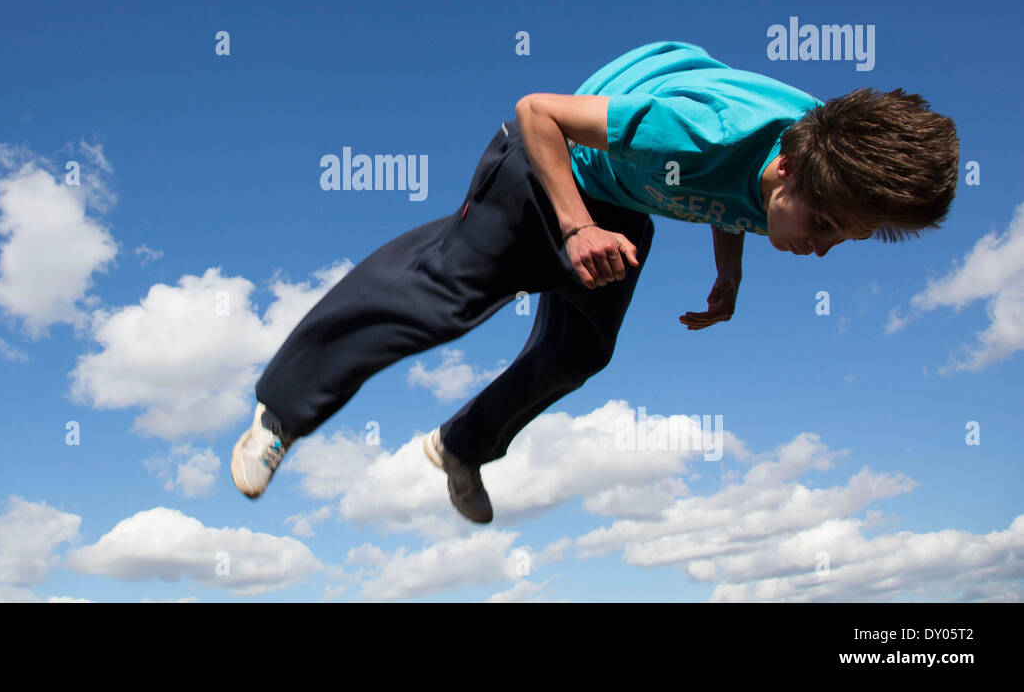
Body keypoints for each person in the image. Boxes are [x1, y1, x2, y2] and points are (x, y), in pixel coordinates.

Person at [230, 40, 960, 523]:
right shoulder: (698, 133)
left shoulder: (813, 162)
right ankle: (281, 412)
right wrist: (576, 227)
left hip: (623, 195)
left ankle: (461, 447)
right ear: (790, 168)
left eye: (843, 238)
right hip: (550, 160)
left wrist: (727, 272)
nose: (820, 250)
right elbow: (538, 112)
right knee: (447, 296)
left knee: (583, 349)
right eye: (823, 226)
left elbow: (734, 196)